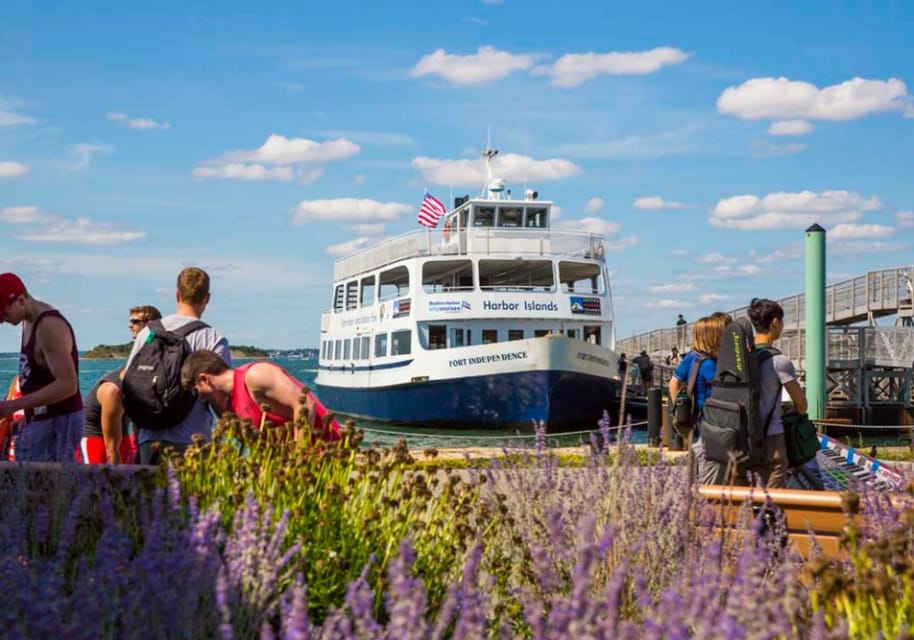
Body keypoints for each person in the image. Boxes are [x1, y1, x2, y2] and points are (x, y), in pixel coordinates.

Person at [124, 267, 230, 464]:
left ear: (177, 295)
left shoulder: (147, 332)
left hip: (150, 438)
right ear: (207, 298)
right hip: (192, 438)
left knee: (153, 495)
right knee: (191, 495)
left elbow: (131, 384)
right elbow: (218, 392)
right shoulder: (212, 337)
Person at [0, 273, 83, 461]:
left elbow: (68, 385)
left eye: (4, 313)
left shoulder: (48, 326)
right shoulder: (27, 321)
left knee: (48, 486)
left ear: (21, 300)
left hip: (58, 421)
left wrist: (14, 405)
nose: (2, 321)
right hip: (39, 419)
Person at [180, 350, 340, 440]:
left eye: (196, 390)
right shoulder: (229, 403)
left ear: (204, 379)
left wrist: (300, 456)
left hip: (327, 454)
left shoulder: (255, 375)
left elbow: (305, 404)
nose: (199, 397)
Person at [747, 298, 807, 488]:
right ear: (774, 322)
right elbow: (801, 404)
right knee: (775, 478)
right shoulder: (779, 361)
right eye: (781, 322)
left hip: (743, 434)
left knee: (750, 485)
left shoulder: (743, 357)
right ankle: (769, 516)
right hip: (771, 434)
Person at [669, 315, 726, 483]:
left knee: (696, 478)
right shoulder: (711, 364)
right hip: (711, 428)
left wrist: (680, 411)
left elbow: (674, 382)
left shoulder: (693, 357)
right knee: (709, 484)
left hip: (697, 424)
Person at [80, 367, 133, 464]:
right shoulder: (111, 391)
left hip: (122, 434)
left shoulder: (142, 384)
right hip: (96, 439)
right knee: (97, 477)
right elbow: (111, 447)